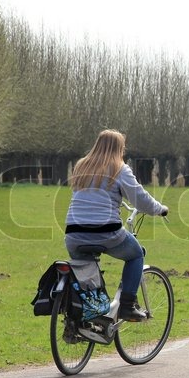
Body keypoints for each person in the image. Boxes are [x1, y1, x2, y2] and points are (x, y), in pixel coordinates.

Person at [65, 129, 169, 321]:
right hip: (105, 231)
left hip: (74, 233)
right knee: (136, 254)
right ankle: (127, 306)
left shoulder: (81, 166)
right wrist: (160, 209)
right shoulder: (119, 168)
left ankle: (81, 321)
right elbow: (140, 199)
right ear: (119, 149)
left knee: (85, 276)